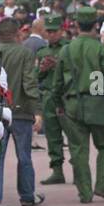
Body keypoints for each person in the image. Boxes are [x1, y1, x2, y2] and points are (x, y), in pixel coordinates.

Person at [54, 6, 104, 203]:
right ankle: (103, 186)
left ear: (76, 25)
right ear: (95, 25)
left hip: (73, 105)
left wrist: (58, 103)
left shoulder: (66, 49)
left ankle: (84, 193)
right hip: (98, 102)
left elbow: (57, 82)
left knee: (78, 149)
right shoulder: (101, 49)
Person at [0, 18, 44, 206]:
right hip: (21, 111)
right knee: (24, 156)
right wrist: (37, 109)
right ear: (17, 33)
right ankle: (27, 195)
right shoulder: (25, 53)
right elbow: (29, 82)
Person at [37, 14, 70, 184]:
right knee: (52, 135)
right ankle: (57, 170)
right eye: (48, 31)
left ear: (61, 31)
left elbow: (76, 72)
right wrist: (42, 69)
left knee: (74, 135)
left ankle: (79, 170)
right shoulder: (42, 51)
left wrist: (59, 65)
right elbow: (36, 77)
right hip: (49, 97)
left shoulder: (69, 49)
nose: (51, 34)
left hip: (67, 96)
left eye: (54, 31)